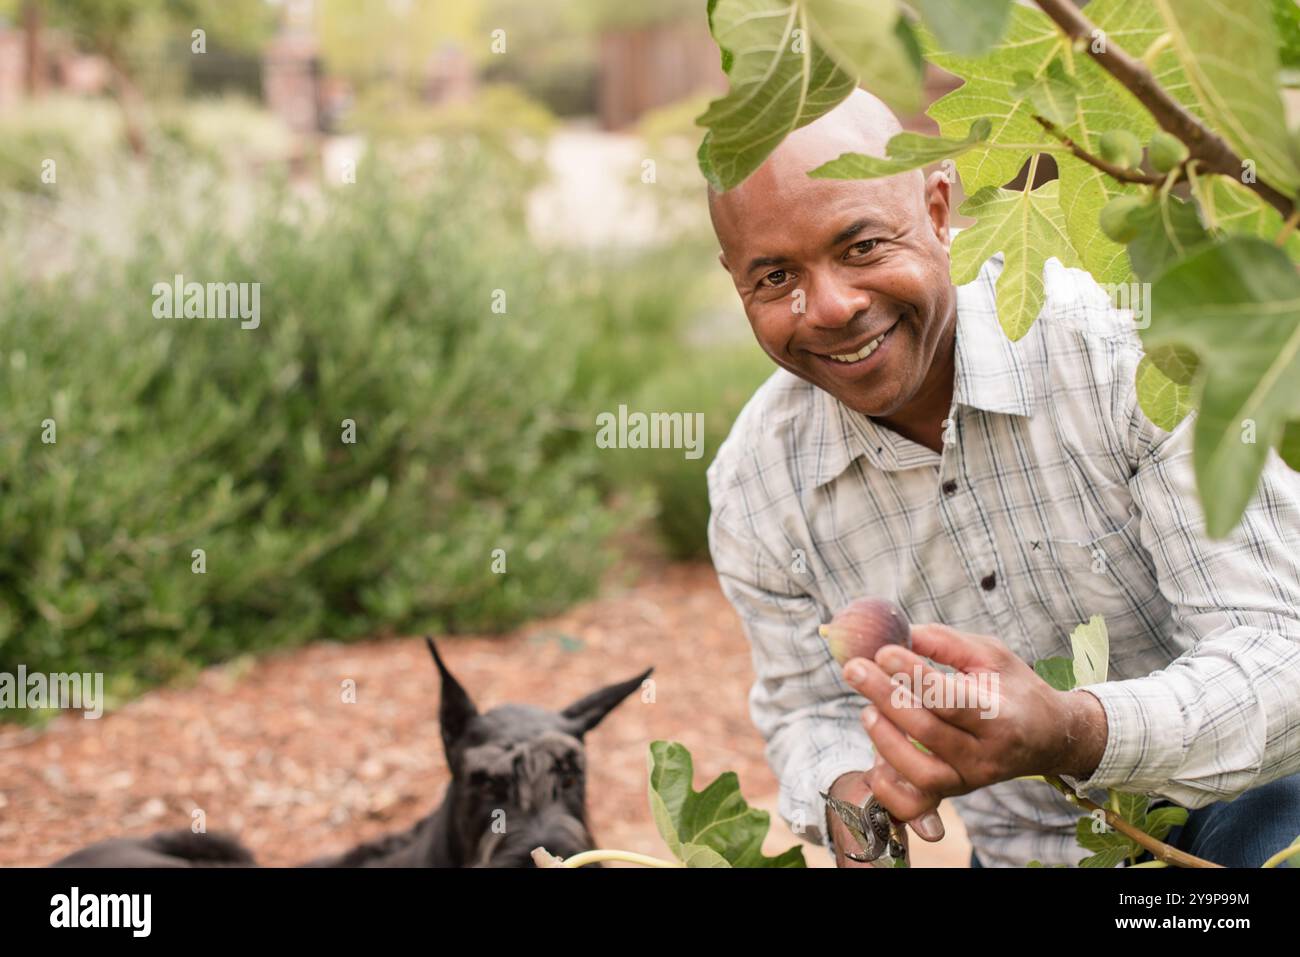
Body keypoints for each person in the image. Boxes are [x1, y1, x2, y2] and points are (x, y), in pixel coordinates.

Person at [704, 89, 1300, 867]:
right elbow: (806, 708)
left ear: (940, 208)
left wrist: (1072, 727)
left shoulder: (1128, 357)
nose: (831, 306)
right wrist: (852, 793)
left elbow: (1280, 651)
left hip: (1252, 807)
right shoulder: (757, 487)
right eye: (775, 277)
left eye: (861, 247)